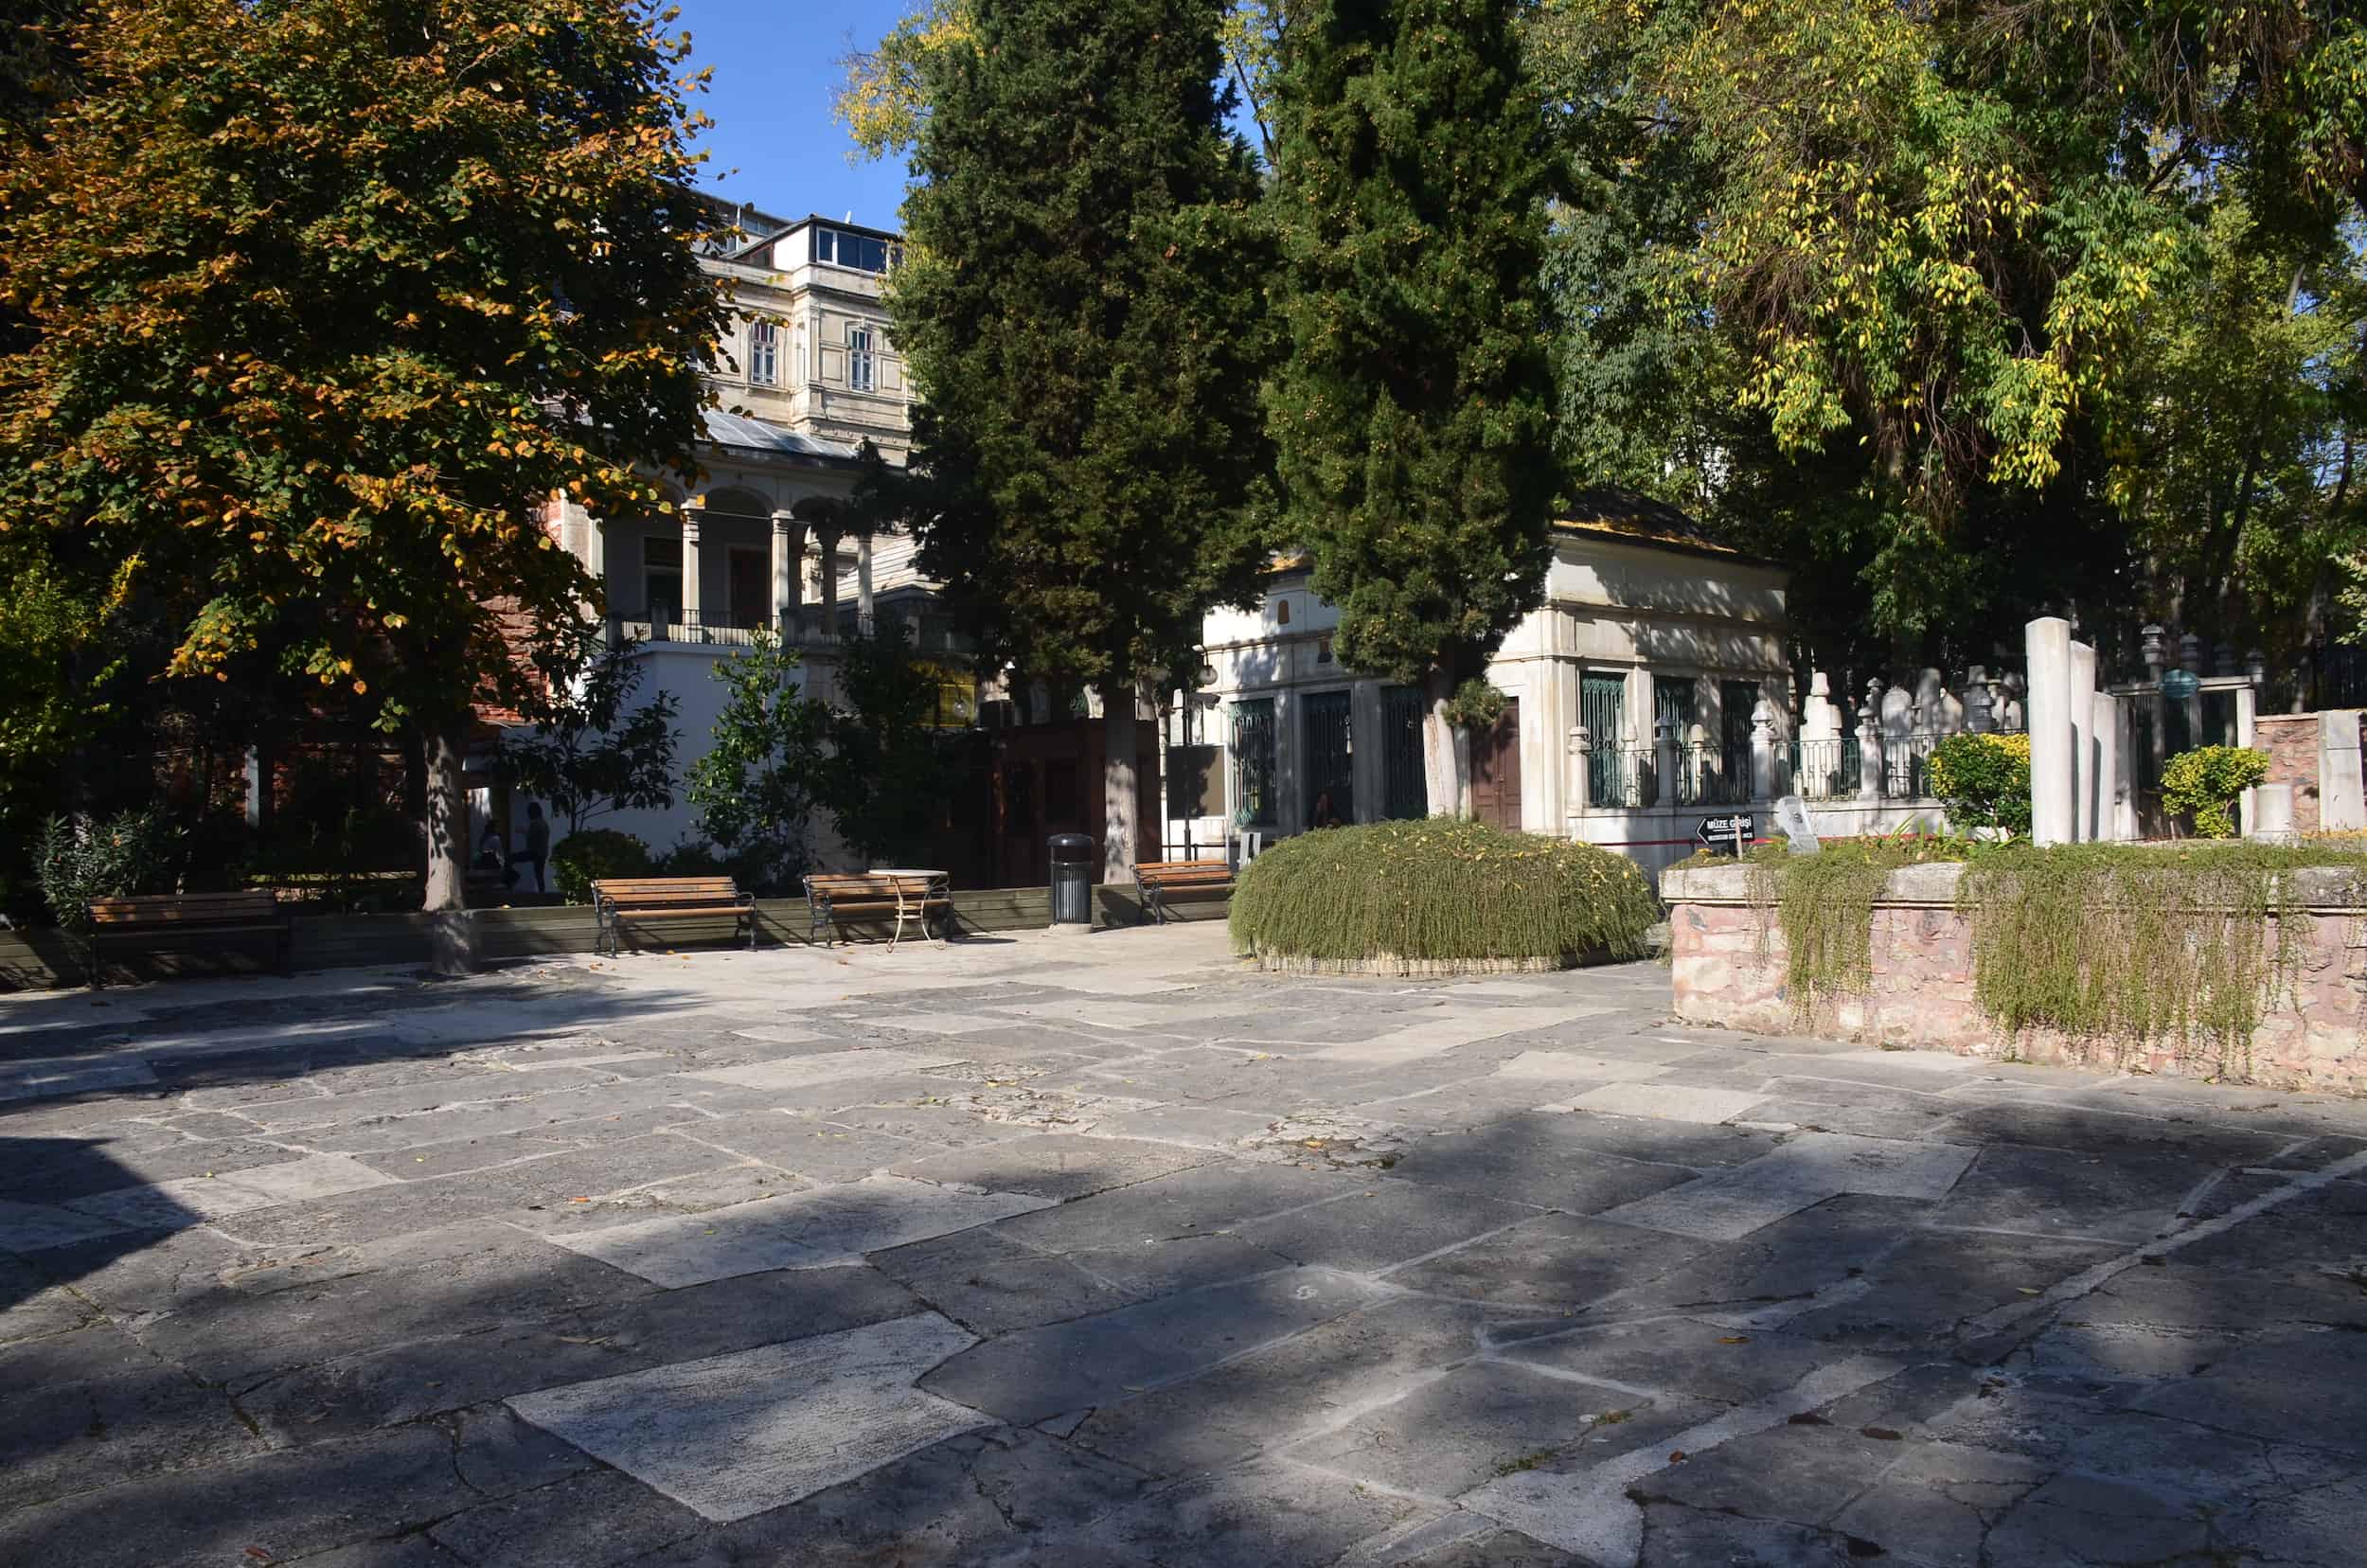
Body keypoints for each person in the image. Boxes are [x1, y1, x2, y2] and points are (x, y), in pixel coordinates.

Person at [525, 802, 552, 893]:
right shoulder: (543, 823)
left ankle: (542, 893)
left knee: (510, 858)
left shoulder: (535, 823)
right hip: (542, 852)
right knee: (539, 873)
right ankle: (542, 892)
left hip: (535, 852)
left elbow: (532, 838)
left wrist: (525, 832)